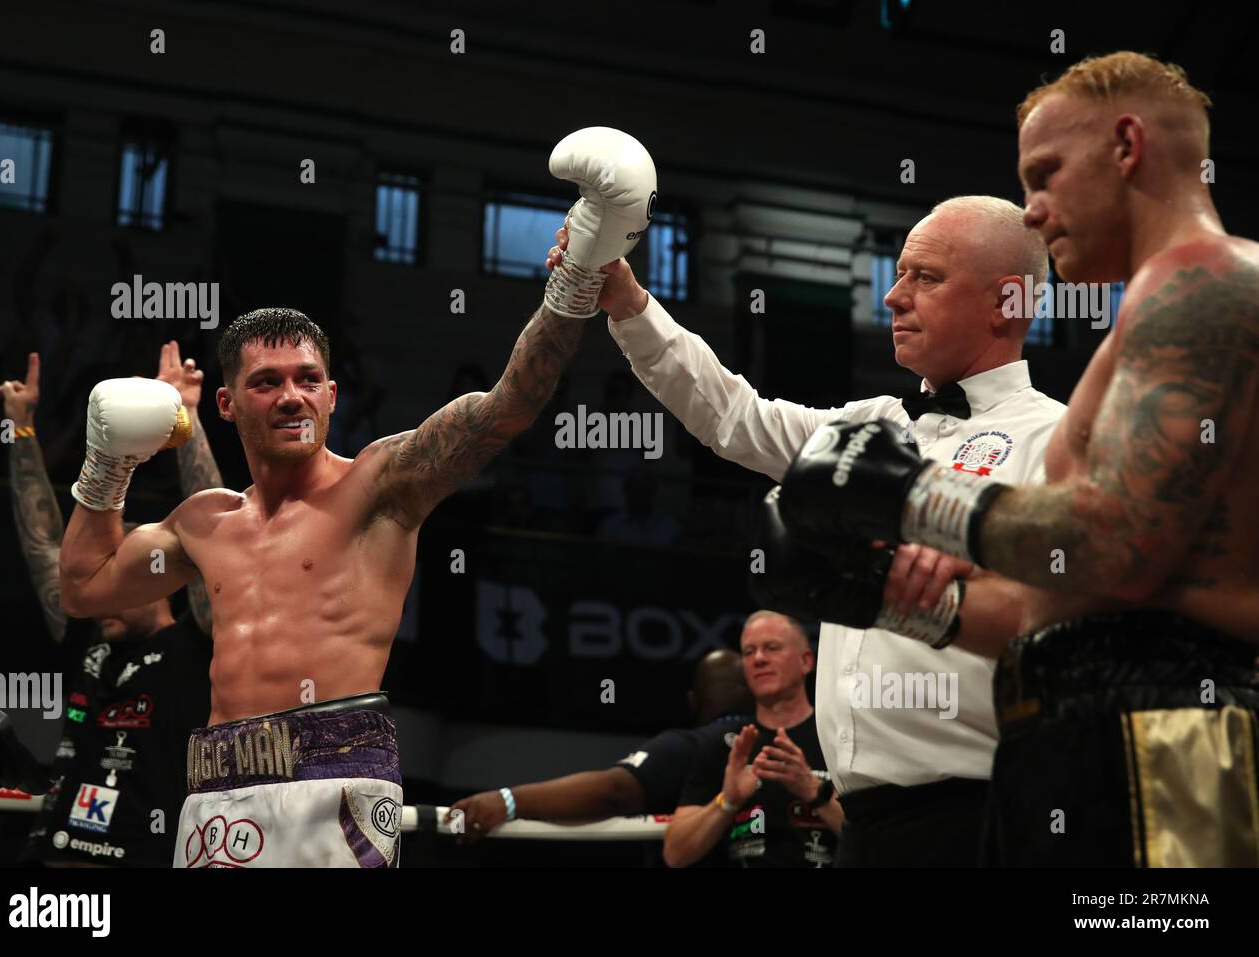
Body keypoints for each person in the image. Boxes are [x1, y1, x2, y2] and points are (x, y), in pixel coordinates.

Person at [56, 127, 658, 868]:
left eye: (308, 378)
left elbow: (510, 405)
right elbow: (83, 587)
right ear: (225, 402)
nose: (291, 396)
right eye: (267, 382)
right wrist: (107, 465)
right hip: (212, 797)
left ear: (333, 393)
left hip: (333, 787)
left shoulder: (383, 484)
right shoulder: (203, 522)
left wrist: (573, 283)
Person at [773, 52, 1259, 867]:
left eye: (1045, 174)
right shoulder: (1149, 315)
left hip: (1169, 731)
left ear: (1127, 144)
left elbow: (1118, 539)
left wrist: (904, 493)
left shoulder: (1205, 285)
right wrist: (899, 595)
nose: (1032, 213)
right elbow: (1079, 592)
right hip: (1081, 728)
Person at [547, 195, 1065, 865]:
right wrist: (627, 300)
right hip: (862, 821)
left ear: (1006, 301)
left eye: (925, 277)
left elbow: (1063, 611)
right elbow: (735, 417)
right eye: (898, 272)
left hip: (981, 814)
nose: (893, 298)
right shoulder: (874, 427)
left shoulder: (1057, 439)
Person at [0, 343, 218, 867]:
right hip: (49, 861)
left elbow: (219, 541)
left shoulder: (198, 641)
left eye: (120, 579)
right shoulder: (88, 628)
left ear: (160, 581)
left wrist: (186, 420)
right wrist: (22, 431)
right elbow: (44, 545)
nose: (103, 597)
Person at [448, 649, 752, 838]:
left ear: (692, 700)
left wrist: (507, 801)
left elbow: (613, 791)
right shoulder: (782, 746)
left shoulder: (692, 746)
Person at [664, 612, 841, 868]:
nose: (758, 659)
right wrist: (726, 802)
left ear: (806, 661)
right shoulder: (727, 746)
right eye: (748, 652)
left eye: (772, 648)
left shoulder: (839, 736)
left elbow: (879, 845)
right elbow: (675, 854)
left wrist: (814, 791)